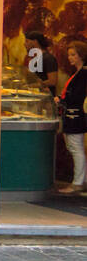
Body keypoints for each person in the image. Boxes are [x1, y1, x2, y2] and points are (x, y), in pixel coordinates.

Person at [55, 40, 87, 193]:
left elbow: (78, 96)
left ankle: (77, 183)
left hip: (76, 115)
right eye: (69, 55)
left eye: (73, 55)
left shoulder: (83, 73)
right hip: (73, 115)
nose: (70, 58)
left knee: (76, 148)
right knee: (75, 147)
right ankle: (82, 180)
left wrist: (62, 100)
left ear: (81, 55)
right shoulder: (79, 72)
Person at [26, 33, 60, 99]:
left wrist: (35, 85)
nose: (24, 44)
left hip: (45, 97)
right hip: (36, 95)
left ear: (35, 42)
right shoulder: (35, 57)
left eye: (27, 41)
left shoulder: (48, 58)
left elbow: (52, 81)